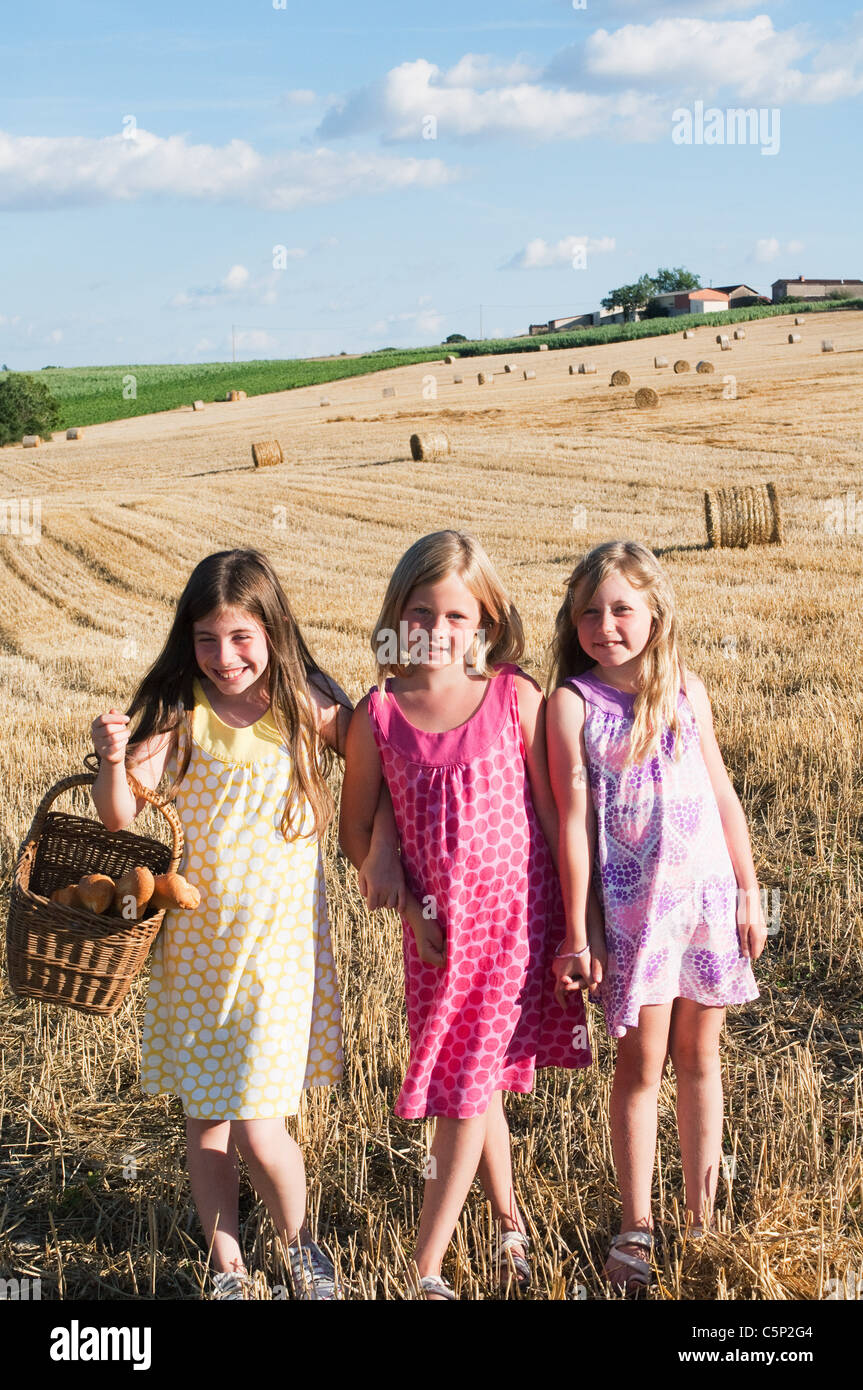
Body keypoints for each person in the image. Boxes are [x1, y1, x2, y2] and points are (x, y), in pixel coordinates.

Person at [90, 548, 399, 1300]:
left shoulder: (303, 700)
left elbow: (376, 755)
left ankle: (303, 1251)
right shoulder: (178, 708)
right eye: (206, 640)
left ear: (273, 631)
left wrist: (378, 845)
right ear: (187, 640)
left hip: (281, 949)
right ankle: (228, 1265)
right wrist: (109, 758)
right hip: (196, 954)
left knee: (259, 1122)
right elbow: (120, 815)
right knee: (207, 1125)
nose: (224, 657)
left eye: (240, 638)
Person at [339, 530, 592, 1301]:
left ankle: (425, 1269)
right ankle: (510, 1217)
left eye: (458, 616)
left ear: (485, 621)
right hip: (437, 943)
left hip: (516, 934)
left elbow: (553, 817)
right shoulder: (377, 714)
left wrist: (578, 929)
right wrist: (395, 880)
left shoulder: (515, 696)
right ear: (396, 615)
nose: (439, 631)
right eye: (421, 613)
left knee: (464, 1093)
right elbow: (354, 830)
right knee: (472, 1089)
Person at [545, 539, 767, 1291]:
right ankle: (634, 1224)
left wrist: (747, 889)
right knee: (640, 1068)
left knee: (701, 1059)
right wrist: (581, 930)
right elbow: (571, 824)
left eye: (620, 610)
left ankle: (702, 1219)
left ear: (654, 614)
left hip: (704, 907)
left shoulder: (686, 691)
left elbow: (724, 797)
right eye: (588, 613)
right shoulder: (572, 703)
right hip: (635, 918)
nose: (605, 625)